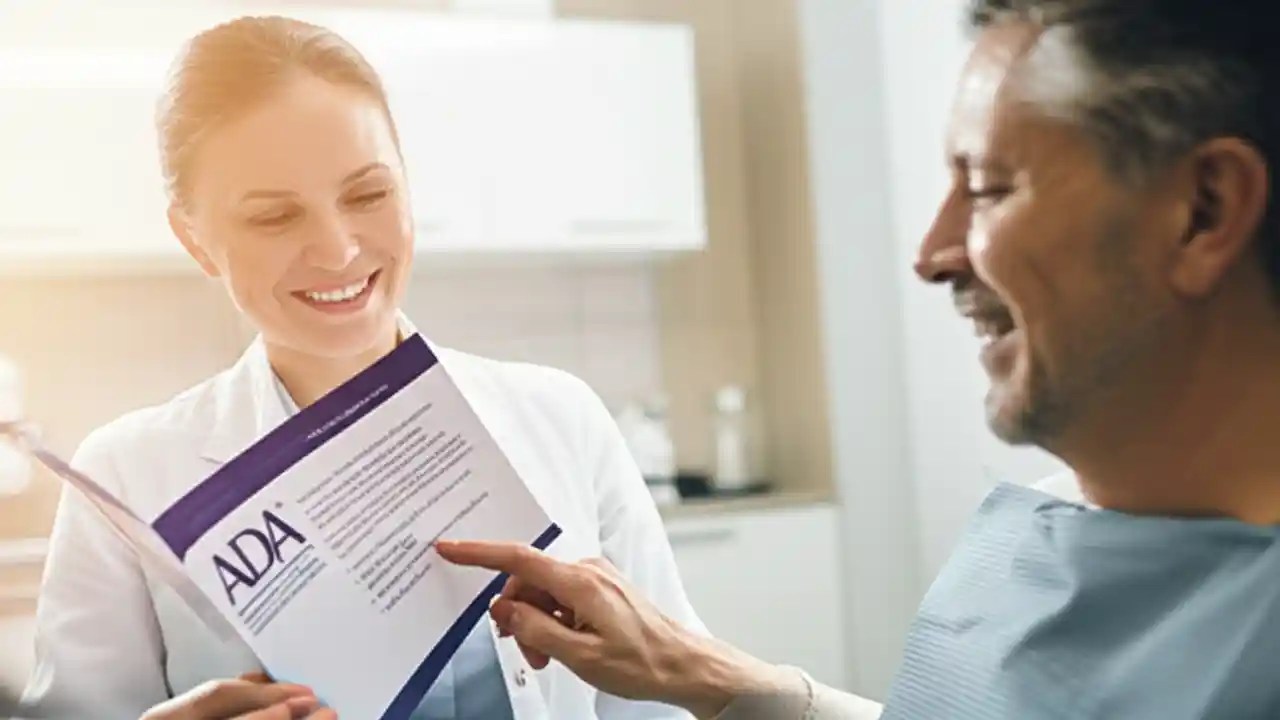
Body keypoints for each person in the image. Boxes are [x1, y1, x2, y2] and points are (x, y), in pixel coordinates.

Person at [439, 0, 1280, 718]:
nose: (933, 252)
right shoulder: (1050, 527)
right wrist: (699, 675)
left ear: (1202, 211)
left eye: (988, 188)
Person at [20, 15, 704, 720]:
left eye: (368, 195)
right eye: (275, 217)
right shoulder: (124, 478)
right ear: (195, 239)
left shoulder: (562, 418)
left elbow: (666, 697)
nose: (339, 250)